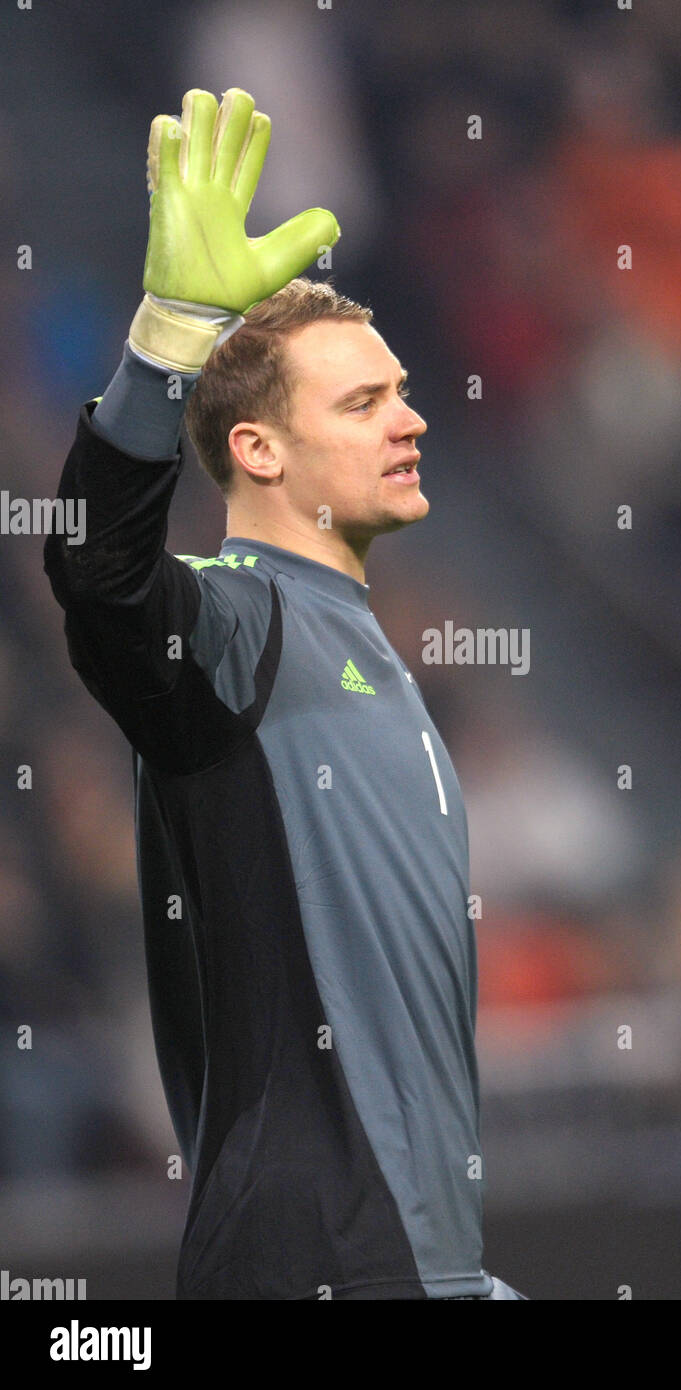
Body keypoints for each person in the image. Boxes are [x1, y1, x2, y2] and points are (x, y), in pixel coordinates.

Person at [44, 87, 527, 1301]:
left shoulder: (356, 642)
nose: (412, 419)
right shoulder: (238, 623)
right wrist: (167, 339)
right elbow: (100, 571)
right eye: (364, 403)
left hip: (412, 1265)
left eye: (403, 390)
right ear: (257, 450)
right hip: (314, 1263)